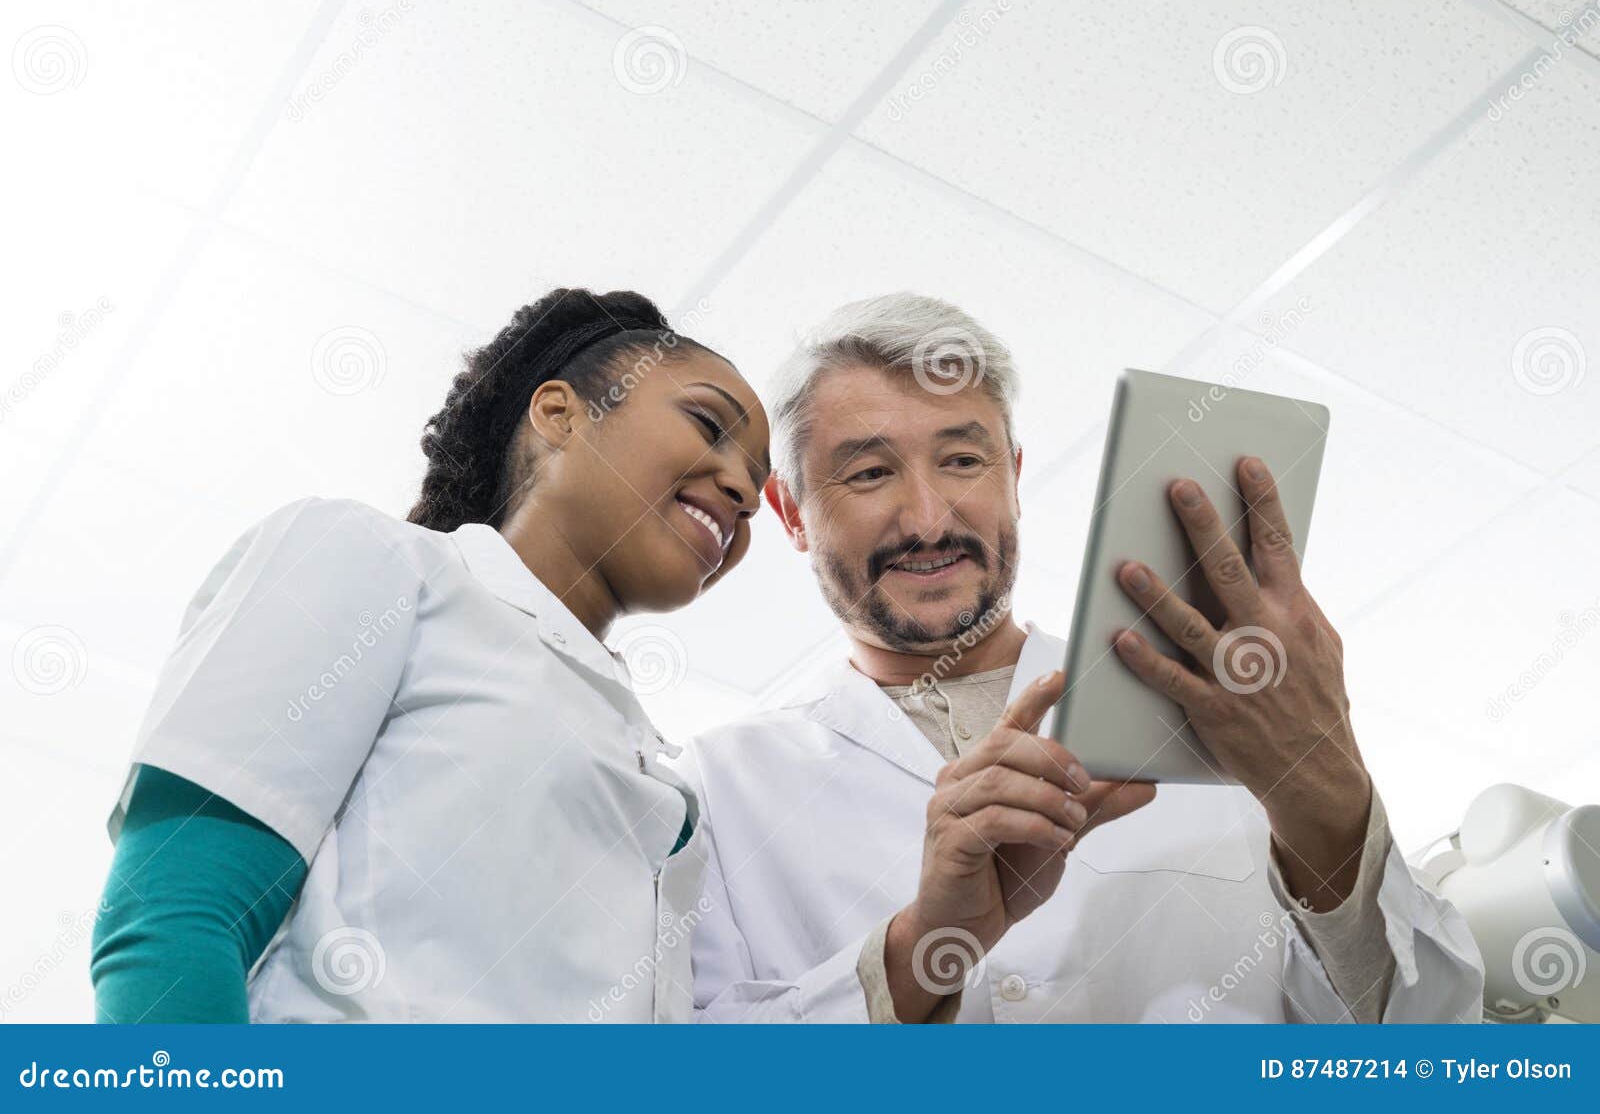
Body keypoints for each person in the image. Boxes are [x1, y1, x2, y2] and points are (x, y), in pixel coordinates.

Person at [678, 293, 1485, 1023]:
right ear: (790, 511)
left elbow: (1430, 1041)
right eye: (869, 472)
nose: (928, 518)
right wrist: (924, 948)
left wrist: (1330, 794)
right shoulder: (714, 789)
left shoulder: (1223, 719)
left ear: (1015, 478)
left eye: (963, 461)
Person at [89, 288, 770, 1022]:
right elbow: (173, 918)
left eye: (759, 486)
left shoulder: (655, 776)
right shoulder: (374, 562)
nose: (741, 491)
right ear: (557, 415)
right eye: (707, 425)